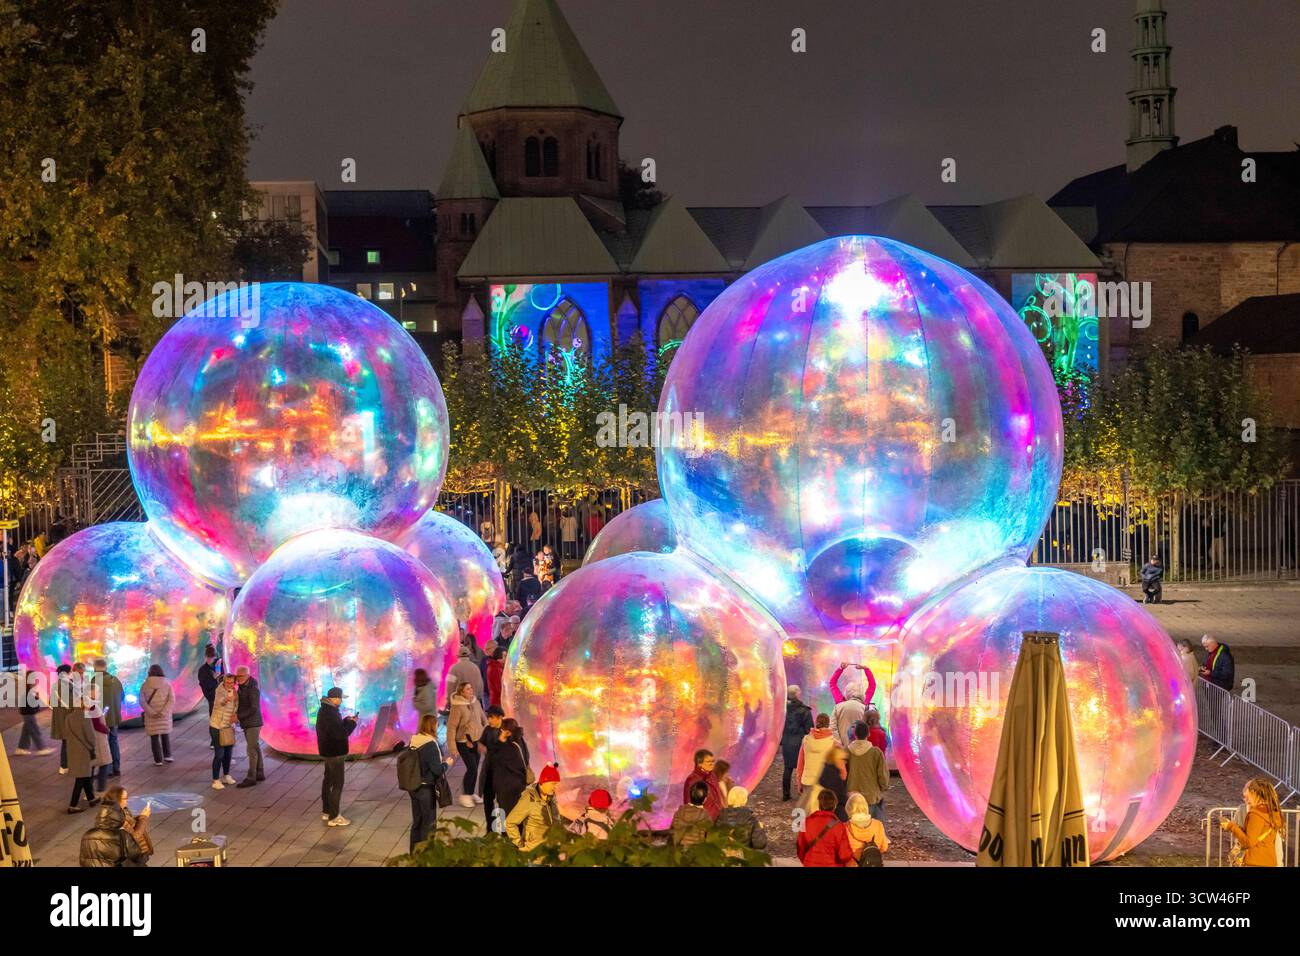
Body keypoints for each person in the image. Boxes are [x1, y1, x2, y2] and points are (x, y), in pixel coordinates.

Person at [406, 713, 454, 852]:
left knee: (418, 821)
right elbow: (437, 770)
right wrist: (447, 764)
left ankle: (414, 852)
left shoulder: (414, 741)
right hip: (426, 788)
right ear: (432, 726)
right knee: (429, 822)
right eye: (436, 723)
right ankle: (427, 854)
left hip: (413, 786)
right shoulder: (430, 745)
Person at [316, 687, 358, 826]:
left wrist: (345, 720)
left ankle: (326, 811)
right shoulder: (331, 713)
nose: (341, 701)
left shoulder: (325, 710)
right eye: (340, 698)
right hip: (335, 753)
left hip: (328, 751)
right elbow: (340, 734)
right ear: (335, 698)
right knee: (337, 784)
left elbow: (335, 728)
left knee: (328, 781)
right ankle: (334, 817)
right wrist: (352, 724)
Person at [79, 792, 150, 867]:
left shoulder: (87, 835)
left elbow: (83, 860)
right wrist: (145, 857)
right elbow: (136, 856)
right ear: (117, 816)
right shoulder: (122, 835)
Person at [445, 680, 485, 808]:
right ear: (461, 692)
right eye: (468, 689)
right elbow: (451, 727)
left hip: (476, 739)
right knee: (472, 768)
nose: (471, 690)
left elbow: (483, 718)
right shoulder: (457, 707)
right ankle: (465, 796)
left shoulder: (476, 702)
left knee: (475, 768)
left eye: (471, 688)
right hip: (463, 741)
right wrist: (452, 747)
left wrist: (486, 734)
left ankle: (471, 793)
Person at [505, 764, 560, 851]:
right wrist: (521, 845)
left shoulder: (551, 796)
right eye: (553, 783)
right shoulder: (529, 798)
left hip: (551, 852)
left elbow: (556, 819)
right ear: (543, 782)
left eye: (557, 784)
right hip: (533, 855)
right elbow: (510, 823)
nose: (556, 787)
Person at [845, 720, 889, 820]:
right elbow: (882, 774)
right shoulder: (876, 752)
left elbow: (843, 773)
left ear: (855, 734)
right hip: (871, 796)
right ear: (868, 734)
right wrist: (883, 787)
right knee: (873, 827)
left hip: (852, 797)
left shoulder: (847, 751)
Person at [797, 789, 853, 867]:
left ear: (819, 804)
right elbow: (844, 855)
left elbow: (800, 848)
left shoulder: (806, 822)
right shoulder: (839, 826)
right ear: (835, 805)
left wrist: (807, 860)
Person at [796, 713, 836, 814]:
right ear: (828, 724)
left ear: (816, 723)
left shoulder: (806, 740)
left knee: (808, 812)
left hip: (807, 779)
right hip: (824, 781)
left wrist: (799, 780)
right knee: (823, 812)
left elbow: (800, 763)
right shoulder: (833, 743)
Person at [91, 658, 124, 777]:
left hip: (100, 718)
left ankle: (107, 770)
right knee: (114, 742)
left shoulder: (95, 681)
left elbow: (91, 700)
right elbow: (122, 697)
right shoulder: (115, 680)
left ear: (95, 668)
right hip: (114, 717)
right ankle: (116, 768)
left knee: (103, 745)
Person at [63, 702, 99, 813]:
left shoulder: (69, 717)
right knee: (80, 777)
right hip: (83, 751)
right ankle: (72, 805)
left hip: (72, 750)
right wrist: (93, 746)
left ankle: (91, 798)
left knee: (84, 774)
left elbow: (65, 734)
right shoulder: (85, 717)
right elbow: (90, 736)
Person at [491, 717, 531, 815]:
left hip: (507, 787)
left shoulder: (507, 748)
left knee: (507, 815)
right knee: (519, 814)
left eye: (501, 730)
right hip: (520, 784)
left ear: (507, 732)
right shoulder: (520, 741)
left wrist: (500, 741)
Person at [781, 685, 814, 801]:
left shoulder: (782, 710)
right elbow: (809, 728)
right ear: (798, 694)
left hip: (786, 741)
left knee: (787, 768)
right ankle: (804, 792)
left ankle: (786, 794)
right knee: (803, 767)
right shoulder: (804, 710)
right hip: (800, 742)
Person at [830, 662, 874, 747]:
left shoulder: (840, 703)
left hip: (842, 746)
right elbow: (872, 686)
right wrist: (866, 669)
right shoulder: (864, 704)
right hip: (860, 747)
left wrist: (840, 669)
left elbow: (832, 683)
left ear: (846, 692)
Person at [139, 664, 175, 766]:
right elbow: (172, 699)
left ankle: (158, 760)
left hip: (151, 716)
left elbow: (142, 701)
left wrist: (151, 712)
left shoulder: (145, 685)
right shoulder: (167, 683)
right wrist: (164, 711)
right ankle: (168, 755)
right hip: (164, 715)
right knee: (165, 734)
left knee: (154, 737)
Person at [235, 666, 265, 787]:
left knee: (251, 749)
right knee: (255, 746)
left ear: (247, 676)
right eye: (237, 676)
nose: (239, 679)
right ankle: (260, 772)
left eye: (241, 676)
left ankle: (251, 776)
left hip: (253, 722)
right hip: (249, 722)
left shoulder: (252, 689)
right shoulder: (243, 687)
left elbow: (253, 708)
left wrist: (239, 716)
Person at [209, 673, 239, 790]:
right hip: (217, 726)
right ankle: (215, 779)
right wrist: (226, 699)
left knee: (228, 754)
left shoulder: (235, 692)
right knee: (219, 754)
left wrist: (235, 717)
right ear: (224, 682)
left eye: (231, 683)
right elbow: (219, 702)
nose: (229, 685)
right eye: (227, 682)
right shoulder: (220, 690)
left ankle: (226, 775)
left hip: (228, 726)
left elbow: (236, 707)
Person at [14, 666, 53, 755]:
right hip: (28, 713)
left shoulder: (29, 689)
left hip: (27, 712)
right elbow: (29, 703)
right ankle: (42, 748)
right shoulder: (27, 690)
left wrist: (36, 697)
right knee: (35, 730)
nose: (36, 680)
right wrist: (36, 698)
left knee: (26, 730)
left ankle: (21, 747)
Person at [843, 792, 890, 865]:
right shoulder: (878, 825)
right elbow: (884, 847)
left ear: (848, 808)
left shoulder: (844, 827)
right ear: (866, 806)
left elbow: (841, 853)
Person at [716, 786, 768, 850]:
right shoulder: (750, 818)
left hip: (724, 857)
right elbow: (759, 844)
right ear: (744, 800)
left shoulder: (720, 816)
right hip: (743, 856)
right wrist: (760, 829)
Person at [478, 705, 506, 824]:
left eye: (492, 717)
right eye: (488, 717)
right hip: (489, 769)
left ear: (500, 718)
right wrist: (481, 747)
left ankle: (505, 831)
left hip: (502, 772)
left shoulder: (507, 730)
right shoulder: (488, 730)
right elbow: (481, 742)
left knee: (503, 802)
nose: (489, 720)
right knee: (488, 800)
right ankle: (490, 829)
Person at [682, 749, 725, 821]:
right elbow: (689, 804)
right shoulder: (692, 780)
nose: (712, 764)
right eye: (708, 762)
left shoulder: (713, 776)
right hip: (703, 822)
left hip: (718, 820)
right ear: (699, 763)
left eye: (713, 761)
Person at [671, 781, 713, 847]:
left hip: (678, 853)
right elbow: (711, 838)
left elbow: (671, 833)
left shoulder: (678, 813)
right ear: (705, 799)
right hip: (696, 854)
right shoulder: (705, 817)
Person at [50, 663, 75, 773]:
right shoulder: (65, 686)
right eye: (70, 671)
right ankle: (65, 765)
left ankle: (65, 765)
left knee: (66, 742)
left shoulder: (57, 685)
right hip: (66, 719)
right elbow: (70, 704)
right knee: (67, 743)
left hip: (61, 719)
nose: (72, 673)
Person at [817, 746, 850, 821]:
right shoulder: (832, 775)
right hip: (835, 812)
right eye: (843, 759)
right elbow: (841, 797)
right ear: (835, 759)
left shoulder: (830, 769)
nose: (845, 762)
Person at [197, 644, 222, 731]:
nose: (209, 660)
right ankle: (214, 740)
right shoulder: (203, 670)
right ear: (205, 656)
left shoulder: (220, 665)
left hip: (223, 696)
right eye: (208, 657)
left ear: (215, 657)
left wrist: (219, 676)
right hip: (212, 696)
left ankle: (225, 739)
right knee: (214, 719)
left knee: (224, 718)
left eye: (211, 658)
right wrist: (209, 696)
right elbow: (203, 684)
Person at [485, 646, 506, 712]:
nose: (507, 658)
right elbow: (500, 687)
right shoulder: (496, 668)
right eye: (505, 656)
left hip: (497, 700)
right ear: (499, 658)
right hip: (498, 702)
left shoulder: (495, 666)